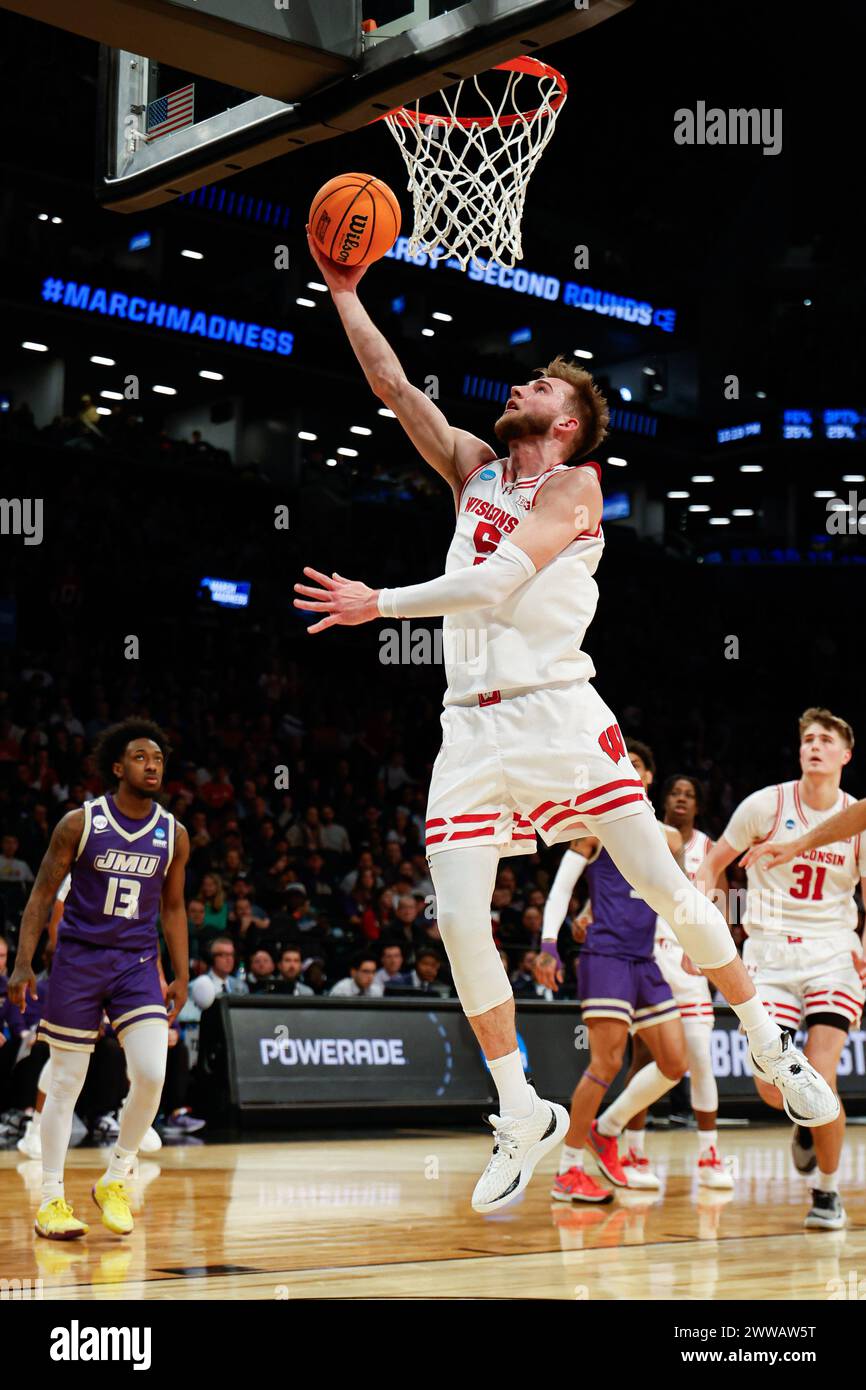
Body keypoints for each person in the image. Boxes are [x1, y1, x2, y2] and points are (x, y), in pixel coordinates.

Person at [294, 230, 838, 1216]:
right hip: (467, 729)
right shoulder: (470, 469)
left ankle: (764, 1036)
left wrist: (381, 602)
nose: (517, 389)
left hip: (556, 712)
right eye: (521, 382)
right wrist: (343, 289)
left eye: (540, 388)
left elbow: (500, 578)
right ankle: (517, 1108)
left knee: (668, 887)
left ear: (575, 424)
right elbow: (392, 386)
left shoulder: (574, 487)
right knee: (457, 919)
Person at [6, 719, 189, 1240]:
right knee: (65, 1081)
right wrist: (23, 963)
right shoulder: (79, 822)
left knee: (152, 1072)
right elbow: (41, 895)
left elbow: (173, 908)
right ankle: (50, 1200)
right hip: (79, 960)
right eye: (140, 757)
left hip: (135, 962)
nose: (151, 764)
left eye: (158, 758)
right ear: (117, 766)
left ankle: (115, 1176)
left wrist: (181, 973)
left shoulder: (173, 832)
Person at [697, 708, 866, 1230]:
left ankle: (828, 1191)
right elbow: (710, 864)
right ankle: (805, 1125)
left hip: (832, 953)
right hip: (768, 956)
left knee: (822, 1076)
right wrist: (701, 923)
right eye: (806, 739)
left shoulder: (857, 821)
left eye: (825, 740)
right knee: (774, 1086)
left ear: (845, 755)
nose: (813, 746)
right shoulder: (766, 804)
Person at [541, 741, 689, 1201]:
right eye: (622, 762)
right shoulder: (595, 826)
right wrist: (549, 945)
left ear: (647, 778)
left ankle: (607, 1129)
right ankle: (567, 1170)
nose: (628, 768)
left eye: (637, 764)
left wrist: (695, 942)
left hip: (644, 959)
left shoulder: (670, 838)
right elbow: (562, 886)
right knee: (605, 1062)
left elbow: (670, 894)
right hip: (605, 957)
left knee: (674, 1062)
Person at [621, 773, 733, 1188]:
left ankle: (709, 1154)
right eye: (675, 792)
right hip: (649, 957)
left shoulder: (708, 848)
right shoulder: (645, 835)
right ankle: (633, 1150)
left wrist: (707, 952)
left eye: (690, 794)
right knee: (644, 1059)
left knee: (700, 1058)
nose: (682, 799)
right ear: (664, 799)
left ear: (698, 805)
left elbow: (721, 907)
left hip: (690, 963)